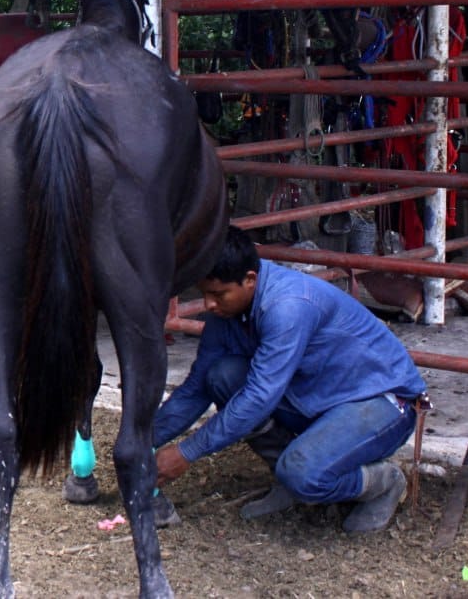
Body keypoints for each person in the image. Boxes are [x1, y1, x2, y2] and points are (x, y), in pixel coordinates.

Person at [154, 226, 427, 533]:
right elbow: (197, 387)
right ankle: (289, 479)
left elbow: (259, 398)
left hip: (382, 402)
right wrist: (142, 441)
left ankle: (382, 483)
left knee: (304, 474)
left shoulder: (287, 307)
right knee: (222, 376)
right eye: (204, 294)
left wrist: (186, 452)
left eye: (217, 294)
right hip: (319, 396)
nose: (209, 305)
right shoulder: (229, 313)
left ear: (250, 280)